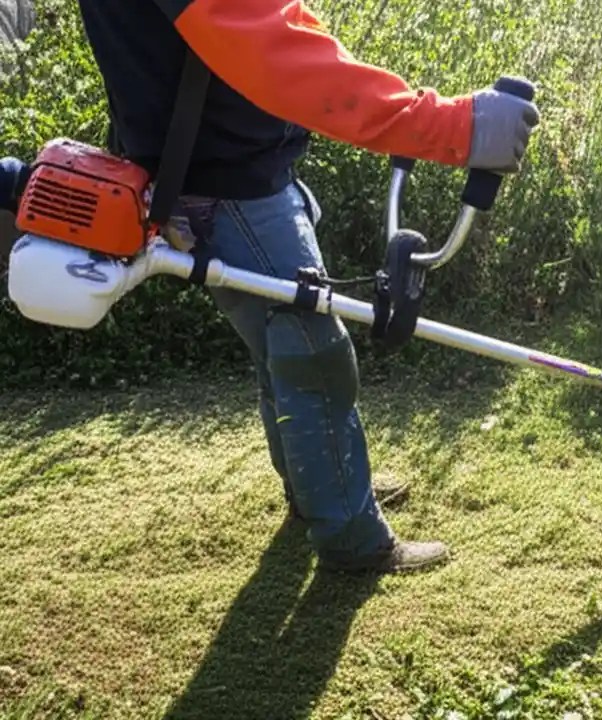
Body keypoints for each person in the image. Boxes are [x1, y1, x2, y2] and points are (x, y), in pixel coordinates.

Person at [23, 0, 537, 574]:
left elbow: (275, 23)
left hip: (216, 171)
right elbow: (281, 55)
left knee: (278, 348)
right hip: (228, 181)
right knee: (312, 350)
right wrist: (451, 125)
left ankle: (321, 486)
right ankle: (349, 532)